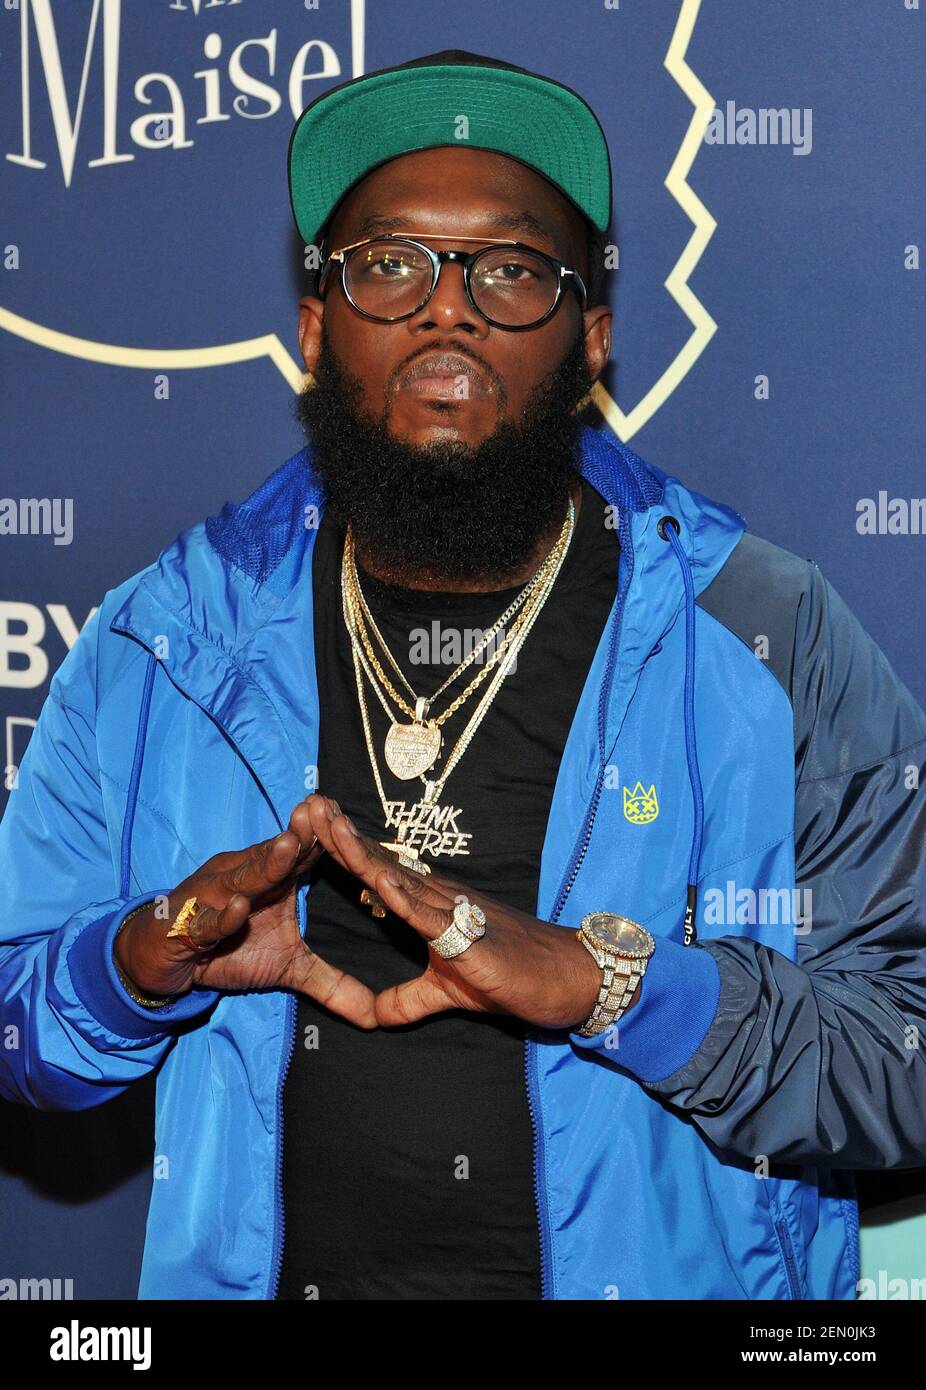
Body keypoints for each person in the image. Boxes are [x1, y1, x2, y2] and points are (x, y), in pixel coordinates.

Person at [2, 49, 926, 1302]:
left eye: (509, 268)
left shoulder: (764, 629)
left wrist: (617, 989)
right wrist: (136, 961)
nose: (448, 309)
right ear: (315, 327)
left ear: (590, 336)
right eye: (390, 264)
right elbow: (19, 1025)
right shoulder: (161, 638)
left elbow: (908, 1060)